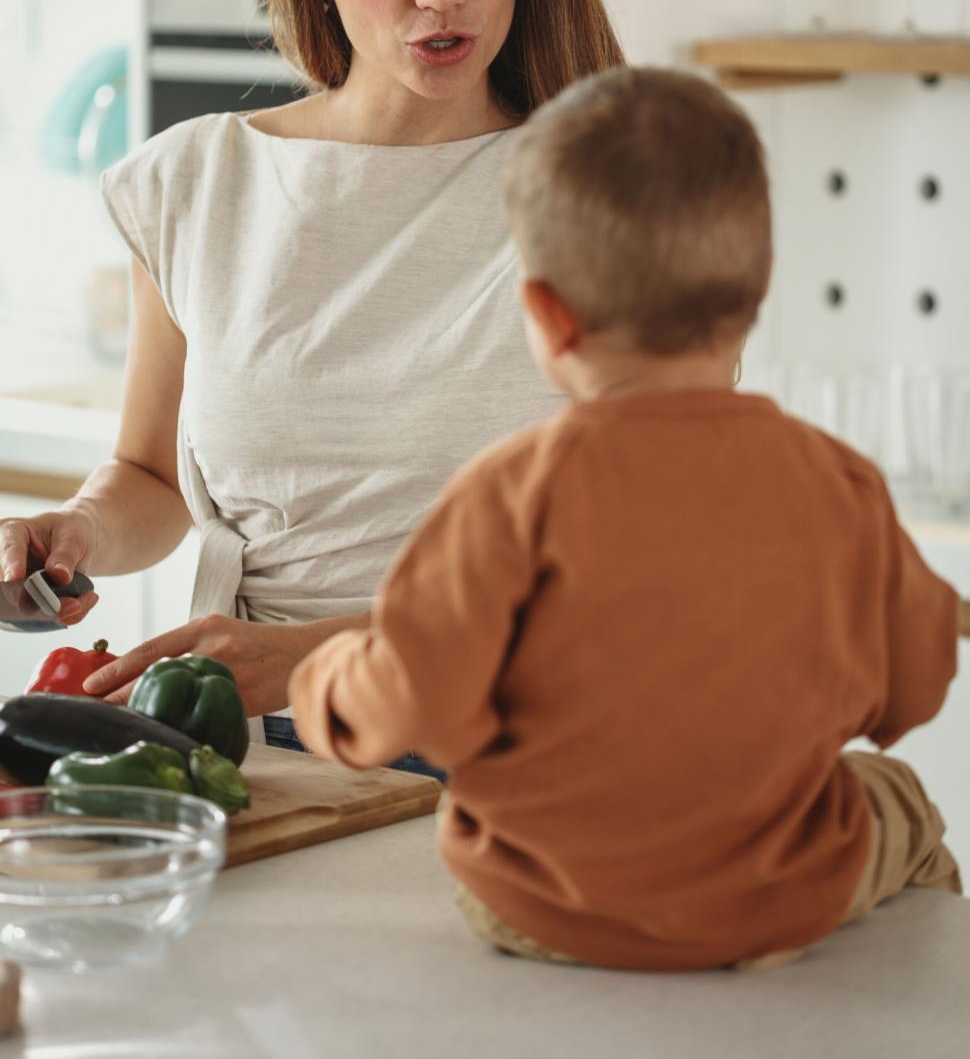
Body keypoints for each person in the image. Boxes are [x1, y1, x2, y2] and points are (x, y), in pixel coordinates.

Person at [0, 0, 623, 767]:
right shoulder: (196, 183)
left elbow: (643, 559)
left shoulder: (615, 189)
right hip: (267, 764)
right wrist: (77, 533)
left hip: (538, 760)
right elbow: (152, 475)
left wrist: (317, 654)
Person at [290, 65, 962, 971]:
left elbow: (409, 697)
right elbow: (914, 686)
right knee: (902, 800)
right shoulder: (839, 484)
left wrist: (321, 684)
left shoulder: (507, 494)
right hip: (778, 894)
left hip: (539, 907)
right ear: (757, 293)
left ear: (547, 316)